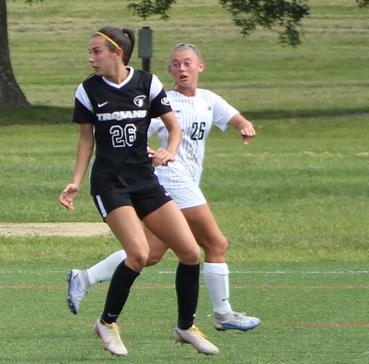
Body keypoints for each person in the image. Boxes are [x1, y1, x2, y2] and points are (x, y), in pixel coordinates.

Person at [68, 42, 261, 332]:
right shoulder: (162, 99)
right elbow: (136, 129)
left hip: (186, 182)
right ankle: (223, 314)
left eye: (187, 63)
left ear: (200, 66)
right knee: (216, 243)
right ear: (169, 69)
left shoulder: (208, 100)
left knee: (150, 253)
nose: (181, 69)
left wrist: (244, 126)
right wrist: (150, 152)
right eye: (175, 64)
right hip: (171, 179)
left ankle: (84, 277)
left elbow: (233, 117)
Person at [58, 26, 219, 358]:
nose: (91, 58)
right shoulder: (87, 90)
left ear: (117, 53)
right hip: (110, 185)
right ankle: (107, 322)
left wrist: (170, 150)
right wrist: (75, 179)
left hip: (145, 181)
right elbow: (86, 139)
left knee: (190, 252)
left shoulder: (148, 83)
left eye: (96, 52)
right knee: (139, 254)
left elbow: (174, 128)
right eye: (90, 52)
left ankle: (186, 327)